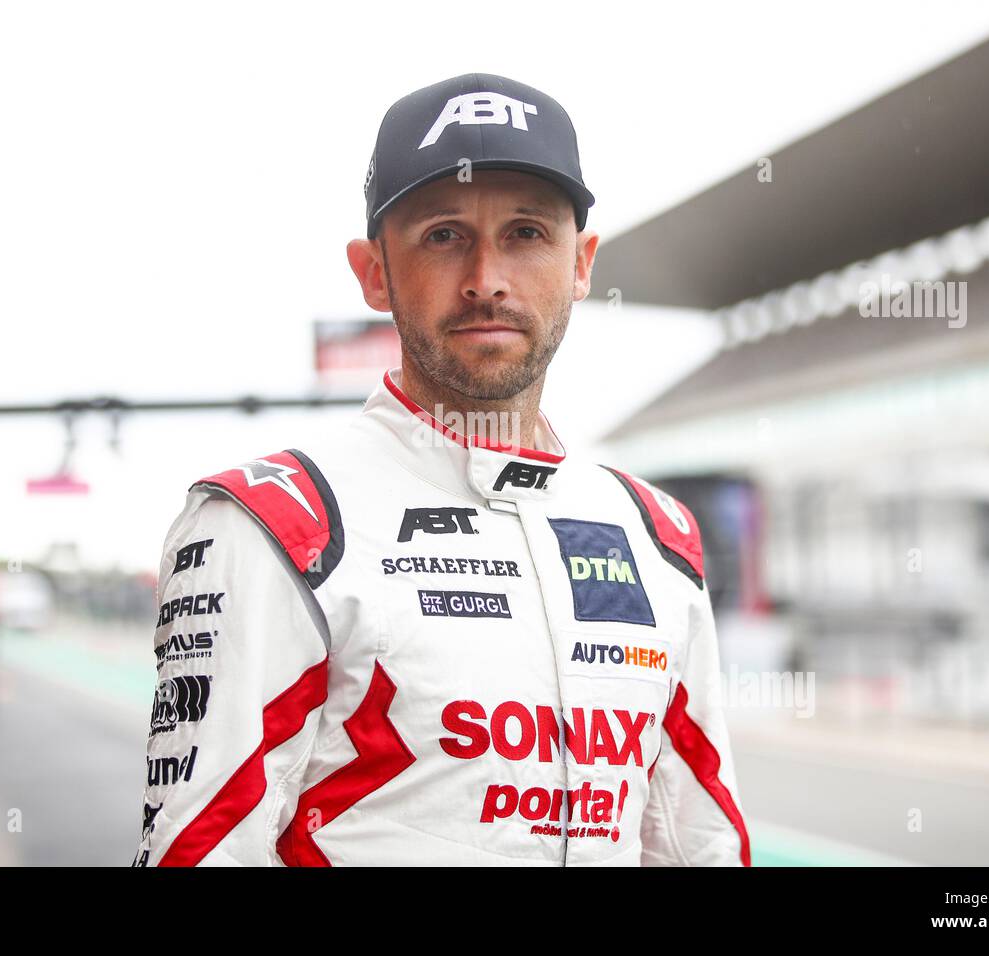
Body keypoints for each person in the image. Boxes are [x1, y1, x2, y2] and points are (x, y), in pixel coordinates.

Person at [134, 73, 749, 867]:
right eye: (443, 235)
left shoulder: (658, 538)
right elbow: (197, 851)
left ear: (582, 264)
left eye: (527, 233)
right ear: (374, 272)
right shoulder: (276, 525)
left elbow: (698, 844)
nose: (486, 277)